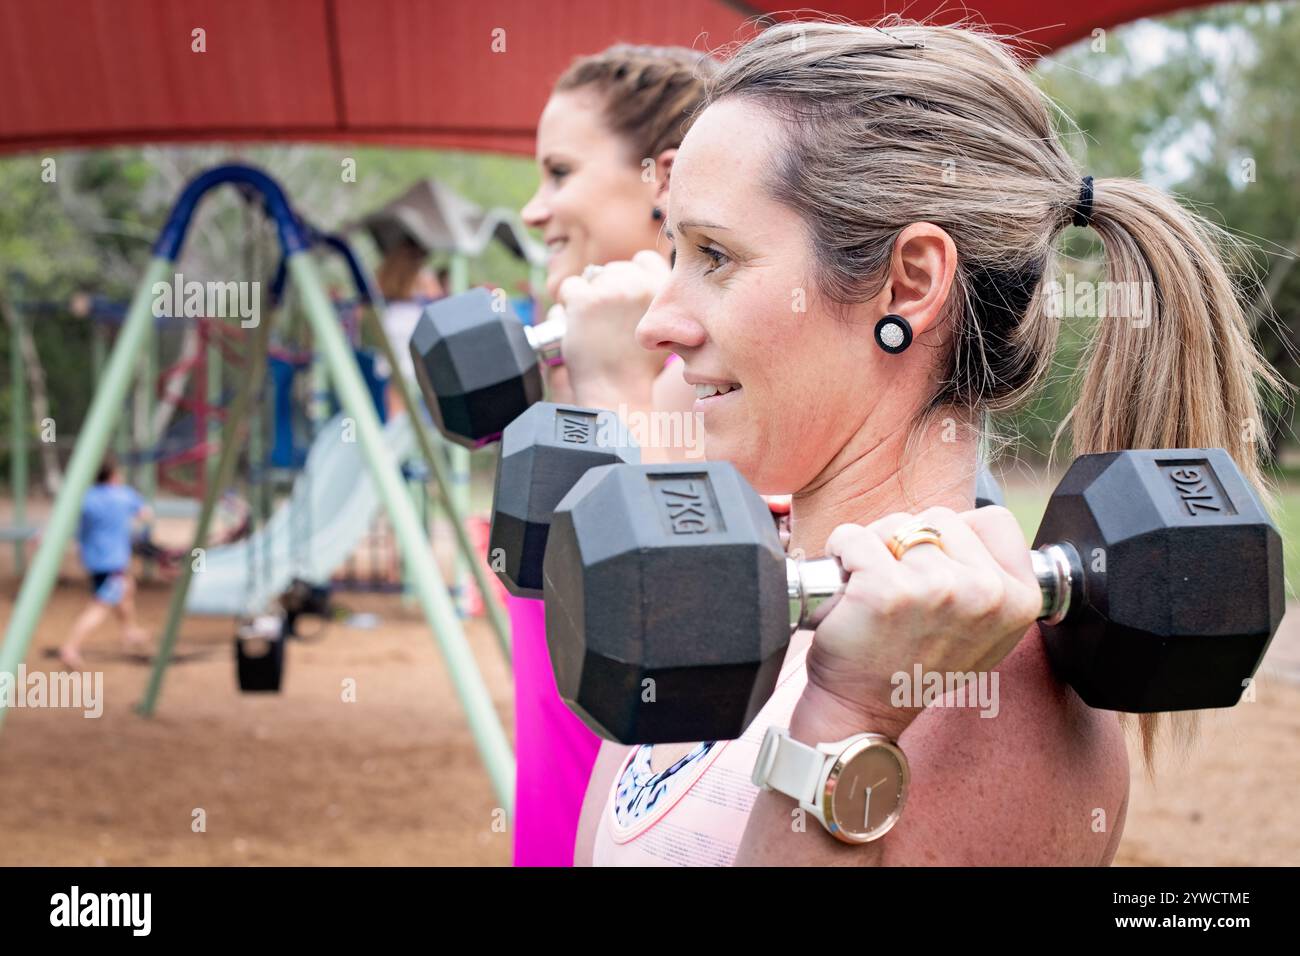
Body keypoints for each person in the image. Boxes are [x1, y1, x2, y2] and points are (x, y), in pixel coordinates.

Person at [563, 18, 1281, 866]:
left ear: (909, 285)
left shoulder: (989, 702)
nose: (657, 322)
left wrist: (853, 717)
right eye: (673, 250)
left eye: (715, 256)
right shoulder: (745, 593)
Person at [509, 44, 720, 866]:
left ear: (658, 183)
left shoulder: (718, 391)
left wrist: (618, 393)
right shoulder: (559, 370)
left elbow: (689, 623)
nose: (533, 209)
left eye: (559, 172)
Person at [60, 455, 153, 669]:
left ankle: (129, 631)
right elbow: (146, 515)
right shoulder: (124, 495)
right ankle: (70, 647)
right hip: (113, 561)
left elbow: (65, 519)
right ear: (113, 475)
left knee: (127, 588)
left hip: (94, 560)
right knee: (100, 606)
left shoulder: (86, 497)